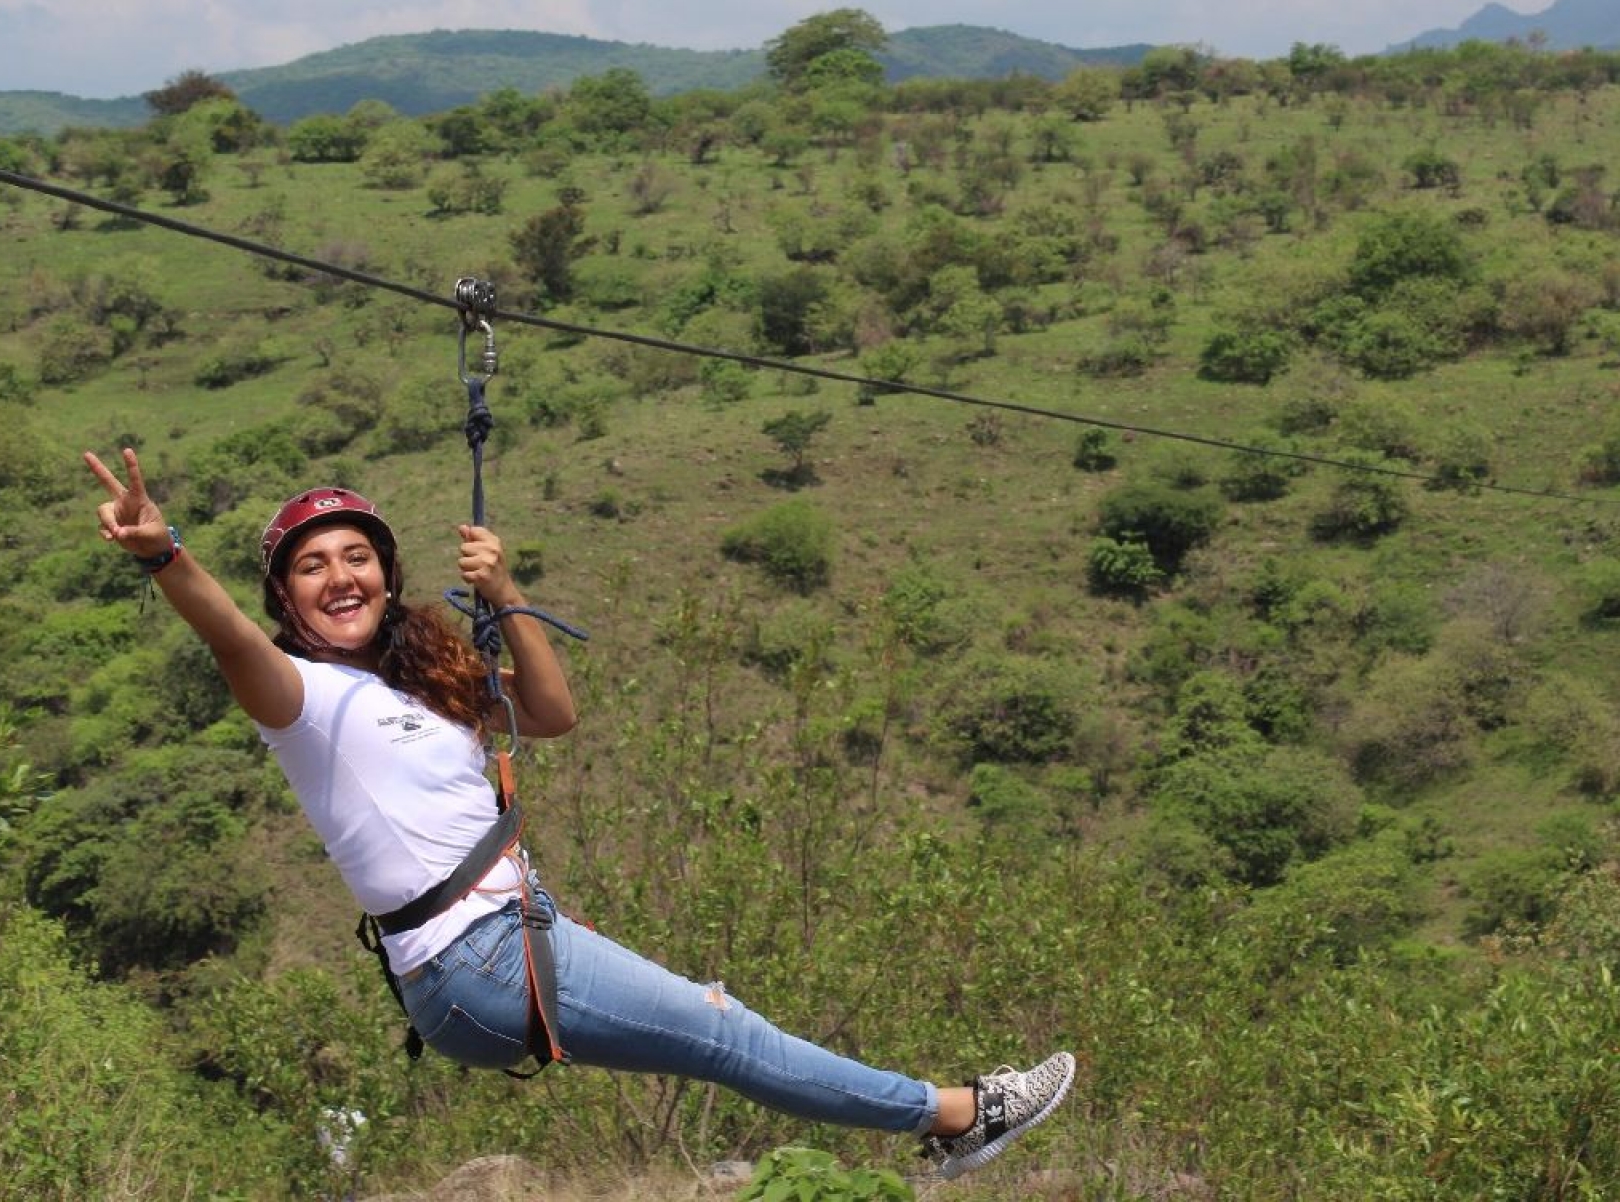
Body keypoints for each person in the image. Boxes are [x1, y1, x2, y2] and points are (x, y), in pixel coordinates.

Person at [82, 447, 1075, 1180]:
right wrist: (165, 552)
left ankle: (947, 1117)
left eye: (358, 557)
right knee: (721, 1032)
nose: (342, 577)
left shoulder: (419, 687)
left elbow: (552, 712)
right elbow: (221, 631)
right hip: (476, 959)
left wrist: (504, 589)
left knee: (719, 1022)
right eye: (313, 566)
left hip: (508, 939)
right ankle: (956, 1114)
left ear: (385, 574)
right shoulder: (296, 696)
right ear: (285, 599)